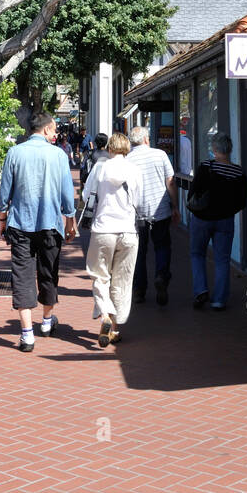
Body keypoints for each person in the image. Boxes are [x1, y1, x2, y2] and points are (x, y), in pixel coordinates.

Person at [0, 111, 77, 352]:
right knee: (48, 272)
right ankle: (45, 321)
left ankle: (27, 334)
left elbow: (5, 192)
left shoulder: (14, 153)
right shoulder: (58, 155)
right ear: (44, 130)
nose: (55, 133)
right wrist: (70, 220)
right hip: (50, 223)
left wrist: (2, 217)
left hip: (20, 223)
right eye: (53, 130)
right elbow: (66, 192)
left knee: (22, 276)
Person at [81, 132, 142, 347]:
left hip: (103, 229)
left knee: (100, 275)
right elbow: (139, 200)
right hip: (128, 231)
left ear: (109, 148)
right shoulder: (134, 170)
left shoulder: (100, 168)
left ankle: (106, 315)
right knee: (122, 280)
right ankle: (115, 327)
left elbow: (86, 196)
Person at [187, 133, 247, 310]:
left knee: (197, 254)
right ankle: (219, 300)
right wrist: (228, 211)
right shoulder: (239, 172)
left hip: (201, 219)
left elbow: (194, 190)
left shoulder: (206, 166)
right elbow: (242, 200)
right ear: (230, 149)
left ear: (214, 149)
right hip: (225, 221)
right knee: (222, 259)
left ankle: (200, 290)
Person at [128, 125, 179, 306]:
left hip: (137, 213)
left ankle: (139, 290)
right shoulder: (160, 155)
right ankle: (161, 276)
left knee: (139, 252)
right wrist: (175, 206)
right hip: (161, 211)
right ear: (146, 139)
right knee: (162, 246)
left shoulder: (128, 159)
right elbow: (170, 182)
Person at [77, 133, 109, 257]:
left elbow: (84, 169)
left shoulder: (91, 154)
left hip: (93, 190)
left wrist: (83, 183)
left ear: (95, 142)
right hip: (106, 189)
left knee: (93, 215)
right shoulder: (110, 156)